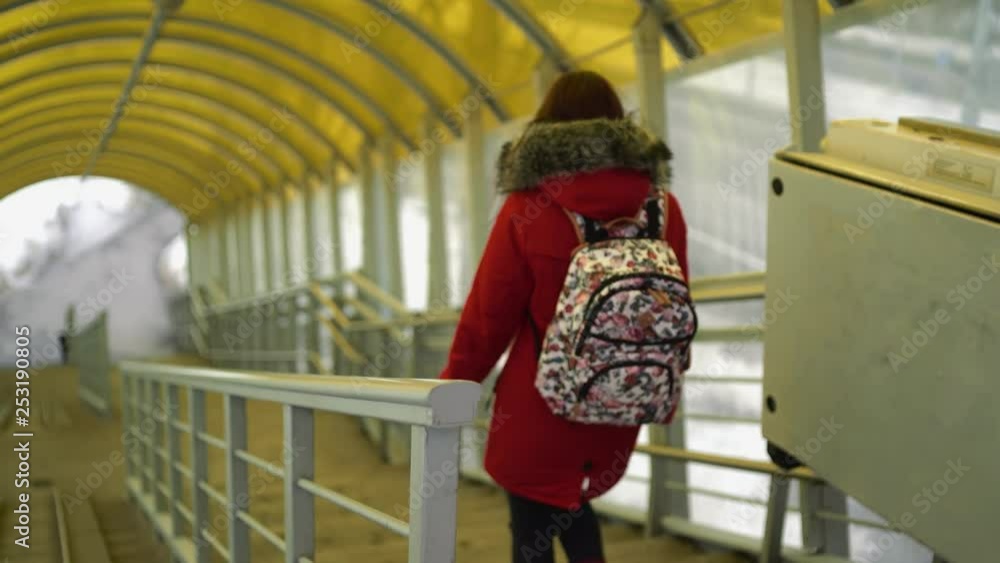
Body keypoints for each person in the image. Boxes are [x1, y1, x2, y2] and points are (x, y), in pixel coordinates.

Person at [439, 70, 690, 563]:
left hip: (541, 398)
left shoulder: (528, 206)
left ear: (547, 124)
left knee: (531, 522)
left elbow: (490, 314)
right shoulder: (663, 208)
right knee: (571, 505)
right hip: (623, 393)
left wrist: (454, 385)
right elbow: (677, 304)